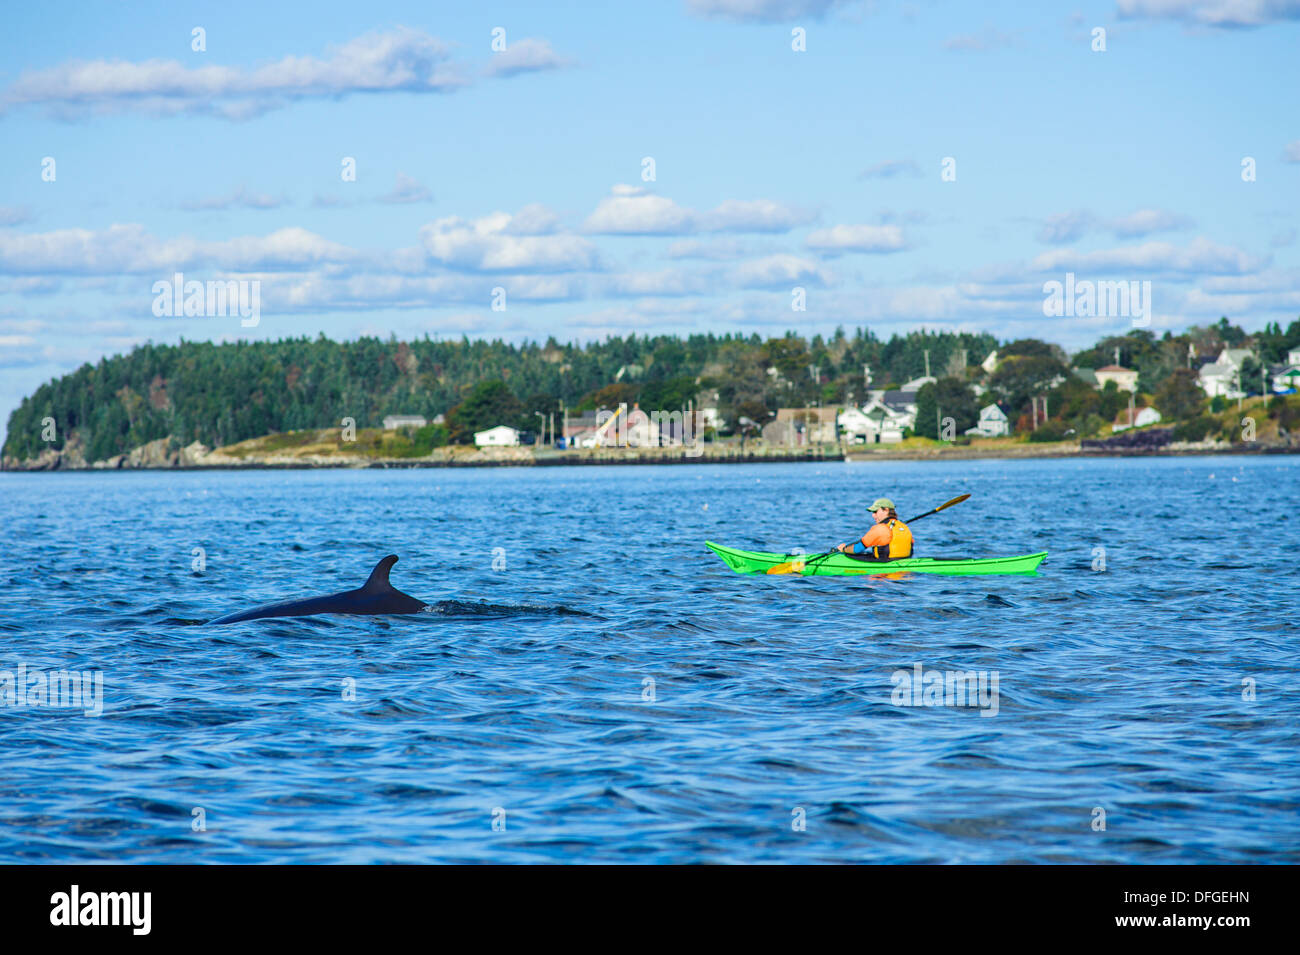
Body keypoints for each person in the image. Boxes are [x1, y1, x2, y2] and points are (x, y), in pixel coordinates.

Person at [834, 497, 913, 560]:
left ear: (886, 510)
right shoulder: (903, 527)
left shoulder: (880, 529)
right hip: (903, 561)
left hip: (884, 574)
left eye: (875, 512)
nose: (873, 515)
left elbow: (857, 549)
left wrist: (843, 549)